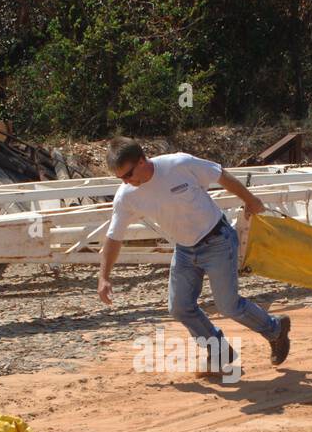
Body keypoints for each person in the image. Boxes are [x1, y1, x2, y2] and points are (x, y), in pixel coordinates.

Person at [96, 139, 291, 378]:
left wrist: (250, 200)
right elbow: (114, 237)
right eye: (120, 178)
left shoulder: (179, 164)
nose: (126, 181)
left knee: (228, 305)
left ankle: (275, 329)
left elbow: (221, 175)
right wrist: (103, 276)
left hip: (218, 241)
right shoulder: (126, 196)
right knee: (179, 308)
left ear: (141, 160)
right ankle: (221, 354)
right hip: (185, 250)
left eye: (128, 174)